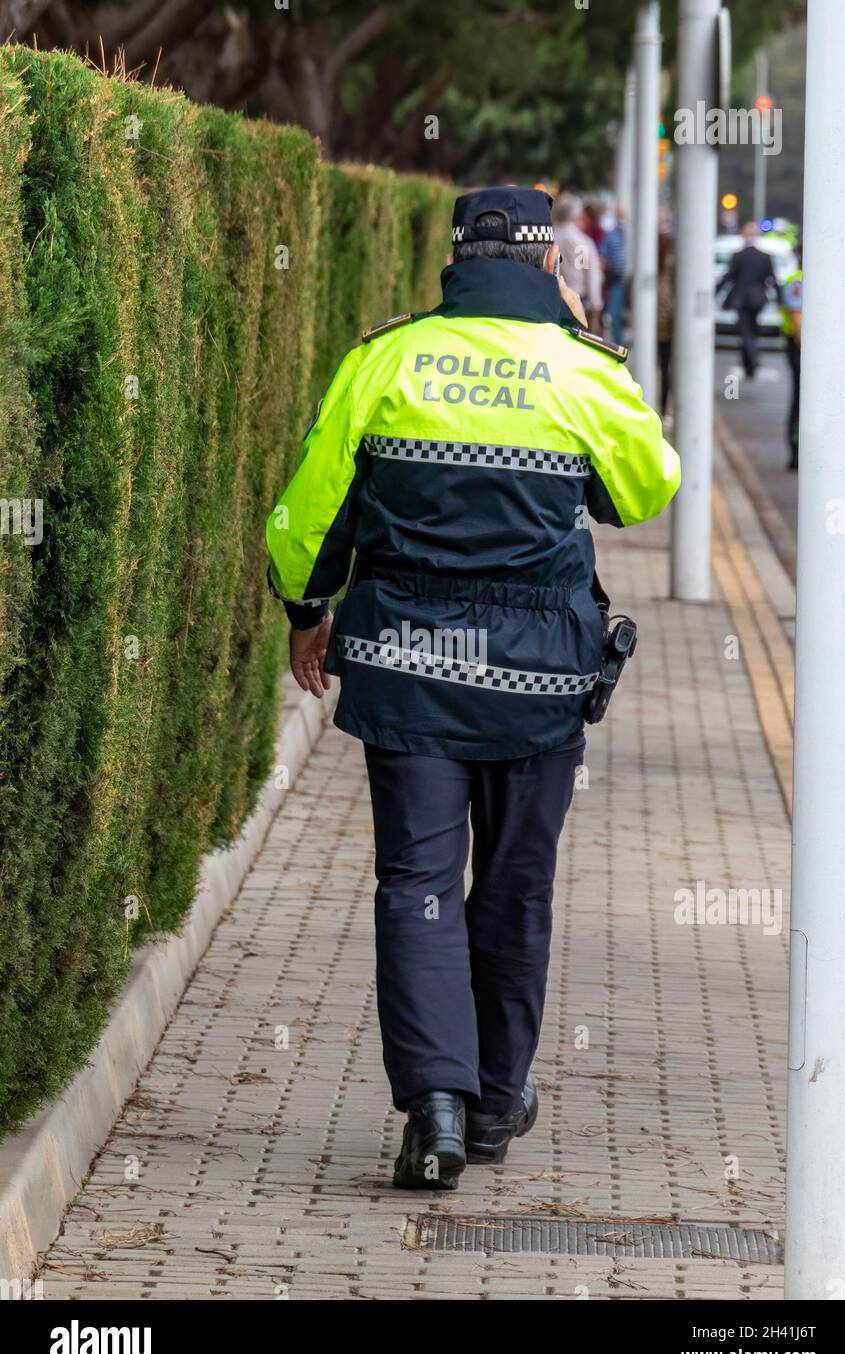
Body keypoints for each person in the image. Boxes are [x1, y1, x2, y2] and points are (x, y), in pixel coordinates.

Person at [265, 187, 680, 1191]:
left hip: (405, 672)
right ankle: (496, 1100)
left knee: (415, 882)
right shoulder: (580, 372)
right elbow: (644, 490)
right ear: (548, 266)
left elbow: (306, 517)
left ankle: (436, 1107)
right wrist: (583, 352)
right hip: (538, 680)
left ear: (452, 260)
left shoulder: (385, 360)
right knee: (513, 883)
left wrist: (307, 615)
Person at [717, 222, 778, 379]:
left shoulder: (738, 255)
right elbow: (771, 279)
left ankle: (751, 360)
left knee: (745, 331)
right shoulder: (765, 256)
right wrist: (780, 299)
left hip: (742, 298)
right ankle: (750, 361)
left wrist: (717, 291)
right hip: (758, 299)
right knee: (752, 329)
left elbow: (729, 276)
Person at [552, 193, 604, 335]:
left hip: (550, 303)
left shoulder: (548, 239)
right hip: (578, 305)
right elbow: (590, 277)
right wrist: (595, 313)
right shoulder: (581, 242)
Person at [779, 245, 803, 471]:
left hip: (802, 348)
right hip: (799, 348)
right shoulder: (797, 281)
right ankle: (795, 452)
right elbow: (796, 318)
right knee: (800, 399)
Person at [599, 208, 627, 345]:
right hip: (616, 280)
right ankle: (618, 343)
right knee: (616, 314)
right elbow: (602, 256)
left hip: (627, 281)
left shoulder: (634, 234)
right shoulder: (611, 235)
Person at [657, 229, 675, 423]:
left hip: (658, 326)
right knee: (665, 367)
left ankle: (662, 408)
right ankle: (664, 409)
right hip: (667, 329)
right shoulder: (671, 269)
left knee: (662, 367)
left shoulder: (648, 265)